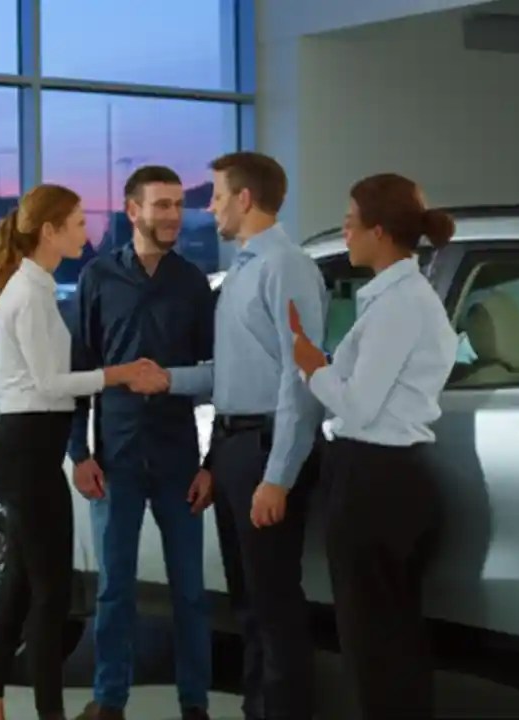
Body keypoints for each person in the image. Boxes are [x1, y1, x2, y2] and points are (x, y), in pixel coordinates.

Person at [0, 184, 167, 720]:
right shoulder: (28, 294)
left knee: (21, 583)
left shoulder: (37, 287)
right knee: (52, 594)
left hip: (31, 449)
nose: (88, 231)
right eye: (78, 223)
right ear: (50, 231)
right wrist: (120, 374)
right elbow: (51, 382)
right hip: (27, 452)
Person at [289, 173, 458, 719]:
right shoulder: (399, 297)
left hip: (375, 482)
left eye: (349, 222)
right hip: (387, 479)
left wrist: (310, 365)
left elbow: (358, 405)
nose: (345, 232)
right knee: (391, 636)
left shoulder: (398, 305)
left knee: (372, 642)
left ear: (379, 232)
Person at [164, 152, 327, 720]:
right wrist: (164, 380)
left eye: (215, 195)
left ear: (244, 198)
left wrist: (278, 476)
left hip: (264, 450)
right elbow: (228, 377)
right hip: (235, 446)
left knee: (275, 604)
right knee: (250, 605)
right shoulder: (243, 270)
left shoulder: (287, 266)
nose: (209, 208)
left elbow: (299, 378)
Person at [66, 166, 215, 720]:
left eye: (178, 205)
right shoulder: (98, 278)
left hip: (179, 459)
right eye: (162, 205)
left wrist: (213, 462)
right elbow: (78, 372)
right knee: (114, 590)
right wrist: (78, 454)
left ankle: (194, 703)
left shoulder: (194, 282)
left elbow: (219, 375)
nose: (174, 215)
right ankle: (109, 701)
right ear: (133, 211)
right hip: (115, 457)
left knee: (191, 592)